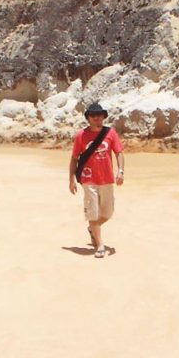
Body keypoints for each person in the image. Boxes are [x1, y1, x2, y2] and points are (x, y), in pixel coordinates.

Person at [68, 103, 124, 258]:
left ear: (103, 116)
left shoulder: (111, 133)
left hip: (106, 179)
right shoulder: (81, 136)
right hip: (88, 180)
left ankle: (93, 228)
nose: (96, 117)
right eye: (93, 115)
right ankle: (100, 245)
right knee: (93, 214)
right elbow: (74, 158)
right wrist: (71, 180)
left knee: (107, 213)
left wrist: (121, 171)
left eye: (99, 114)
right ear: (88, 118)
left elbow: (119, 153)